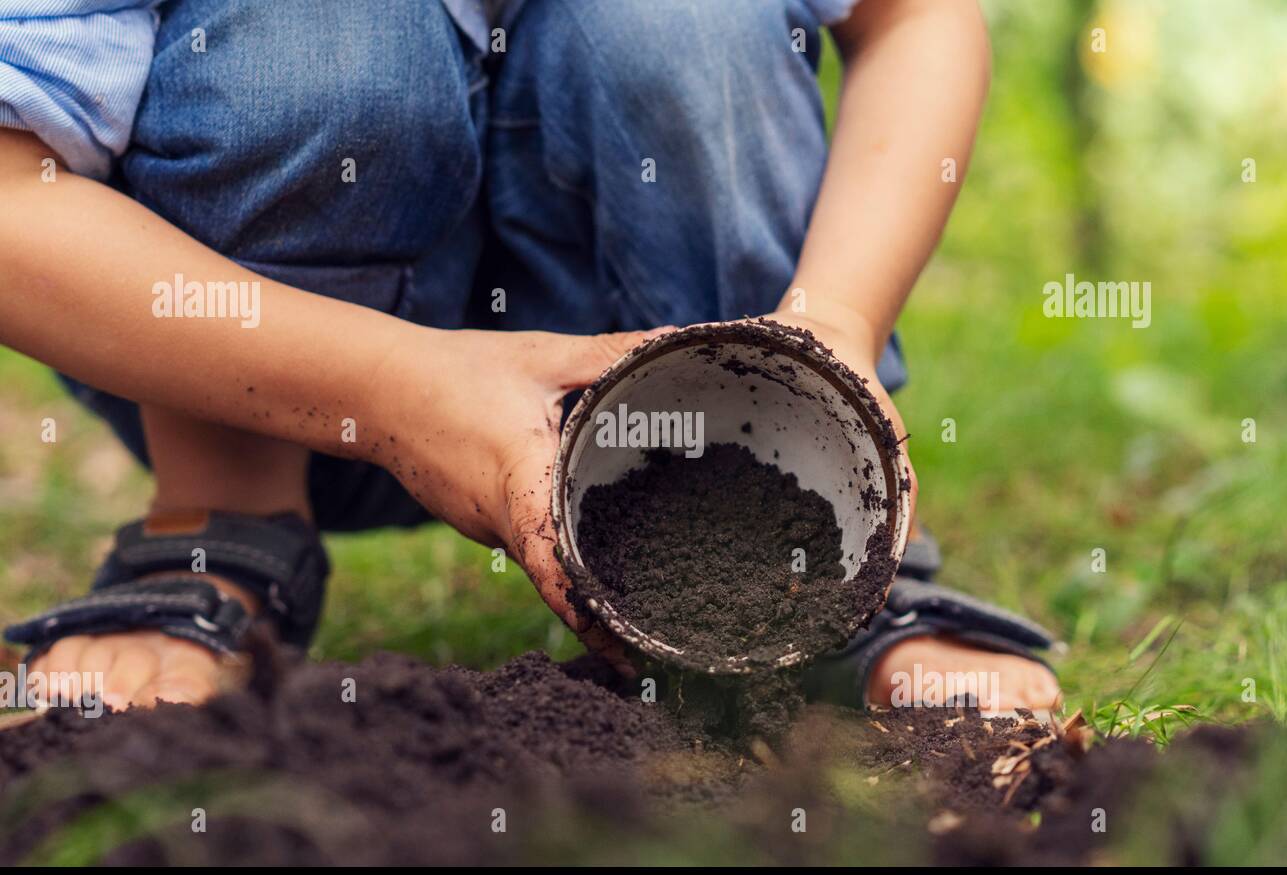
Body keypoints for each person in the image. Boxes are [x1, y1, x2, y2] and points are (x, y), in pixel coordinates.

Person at [0, 0, 1060, 713]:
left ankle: (794, 534)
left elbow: (912, 17)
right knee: (318, 41)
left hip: (663, 385)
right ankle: (220, 527)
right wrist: (397, 391)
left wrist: (833, 327)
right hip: (288, 392)